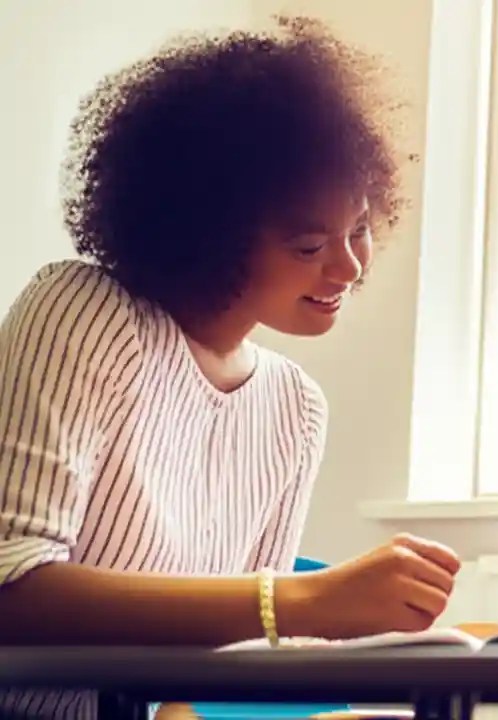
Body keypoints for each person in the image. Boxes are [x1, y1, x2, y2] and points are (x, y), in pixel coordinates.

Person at [0, 17, 459, 719]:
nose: (351, 266)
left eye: (359, 227)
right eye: (309, 245)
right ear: (207, 232)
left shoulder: (295, 407)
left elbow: (228, 665)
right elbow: (12, 587)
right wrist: (301, 600)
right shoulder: (84, 312)